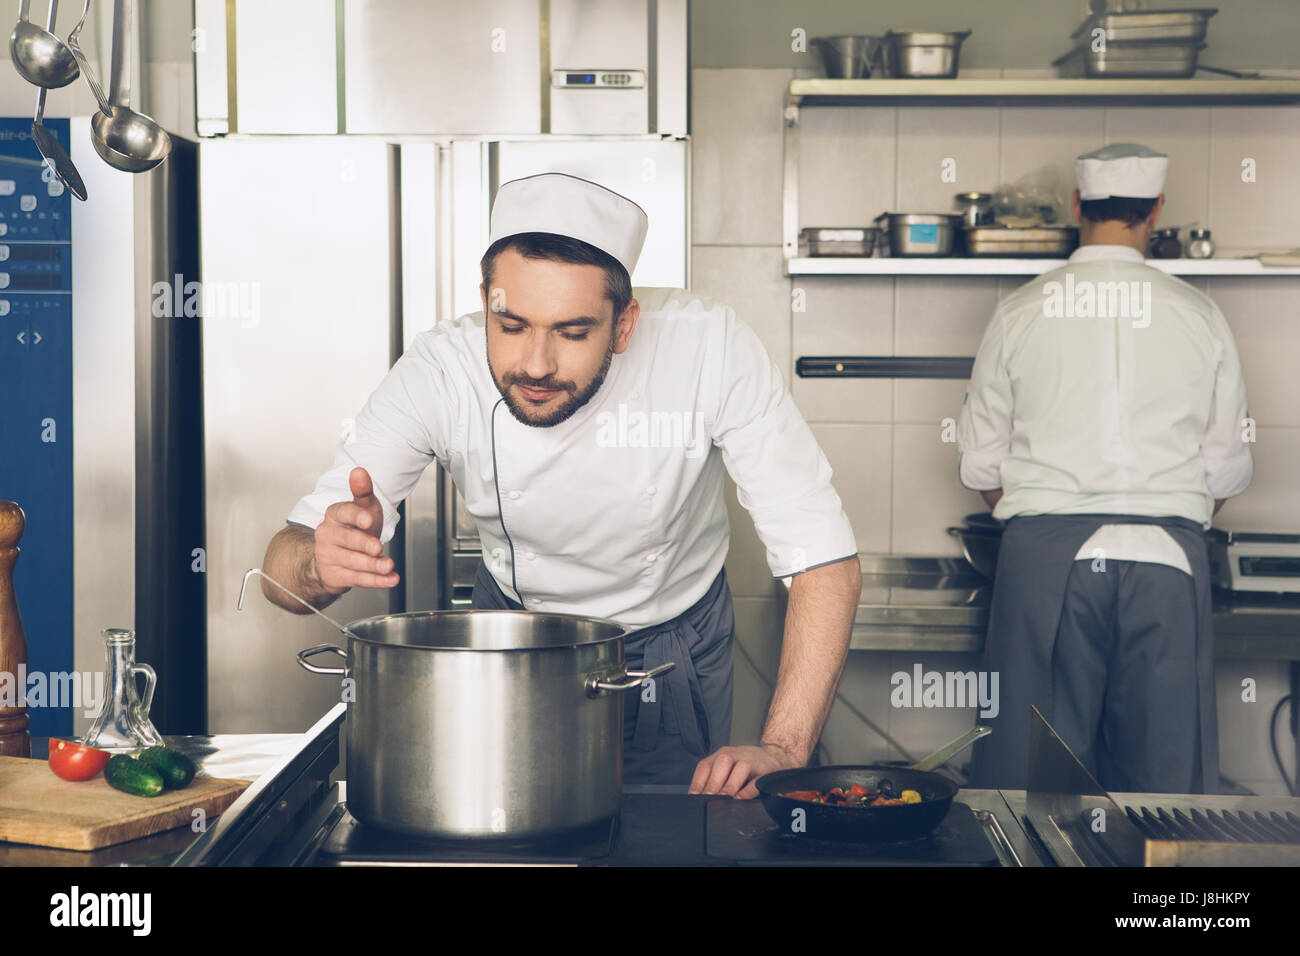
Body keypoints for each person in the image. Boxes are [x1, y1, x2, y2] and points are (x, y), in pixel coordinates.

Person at [261, 172, 862, 797]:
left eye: (573, 333)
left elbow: (822, 558)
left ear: (625, 325)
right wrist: (318, 562)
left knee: (669, 838)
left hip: (668, 645)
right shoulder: (439, 370)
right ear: (486, 300)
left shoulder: (711, 349)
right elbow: (283, 566)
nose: (537, 364)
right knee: (500, 832)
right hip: (509, 638)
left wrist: (784, 747)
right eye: (512, 325)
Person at [956, 143, 1252, 794]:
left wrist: (1049, 511)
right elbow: (1225, 471)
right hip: (1169, 565)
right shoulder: (1201, 314)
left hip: (1044, 563)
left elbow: (981, 463)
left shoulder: (1020, 310)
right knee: (1165, 788)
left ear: (1075, 206)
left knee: (1031, 783)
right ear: (1157, 210)